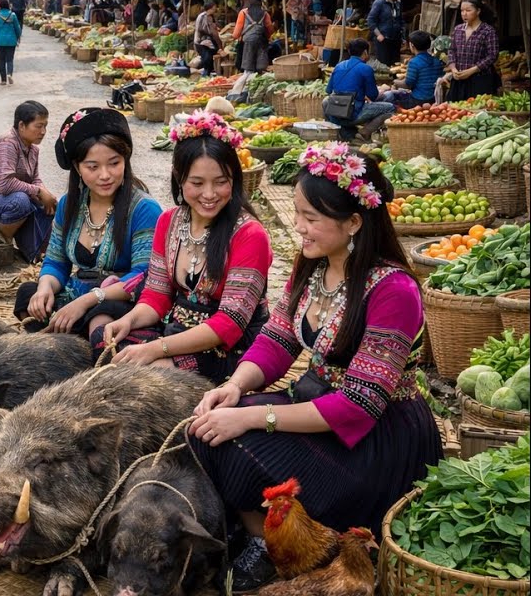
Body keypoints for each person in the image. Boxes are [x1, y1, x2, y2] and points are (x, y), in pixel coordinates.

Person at [187, 144, 440, 590]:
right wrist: (234, 385)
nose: (299, 227)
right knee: (205, 430)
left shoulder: (393, 290)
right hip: (317, 401)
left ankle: (289, 549)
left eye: (311, 218)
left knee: (239, 446)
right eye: (298, 213)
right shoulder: (313, 265)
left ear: (354, 222)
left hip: (375, 438)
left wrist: (249, 414)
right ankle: (266, 539)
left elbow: (358, 406)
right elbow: (278, 339)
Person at [103, 113, 272, 383]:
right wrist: (130, 321)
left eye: (221, 182)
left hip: (230, 348)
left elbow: (229, 324)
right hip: (177, 331)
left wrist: (156, 348)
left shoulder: (250, 235)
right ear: (179, 179)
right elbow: (157, 296)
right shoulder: (168, 222)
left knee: (145, 379)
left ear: (235, 179)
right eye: (197, 183)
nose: (209, 194)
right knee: (108, 346)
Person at [14, 108, 162, 346]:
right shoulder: (68, 205)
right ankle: (60, 351)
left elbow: (143, 275)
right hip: (76, 290)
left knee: (101, 318)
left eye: (114, 163)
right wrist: (44, 288)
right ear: (77, 167)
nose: (105, 175)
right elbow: (56, 262)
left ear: (125, 161)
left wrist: (86, 301)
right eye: (93, 167)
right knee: (28, 296)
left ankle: (92, 356)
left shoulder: (144, 209)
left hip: (119, 298)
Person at [0, 101, 57, 263]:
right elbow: (5, 184)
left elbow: (34, 178)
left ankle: (37, 253)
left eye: (45, 126)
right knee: (21, 200)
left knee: (49, 204)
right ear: (22, 125)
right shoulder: (6, 144)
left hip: (2, 202)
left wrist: (45, 194)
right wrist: (38, 191)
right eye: (38, 126)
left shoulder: (32, 149)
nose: (43, 132)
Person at [324, 38, 395, 141]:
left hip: (335, 112)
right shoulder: (366, 68)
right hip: (353, 113)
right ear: (365, 52)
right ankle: (365, 131)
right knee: (390, 107)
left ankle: (344, 132)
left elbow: (328, 90)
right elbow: (373, 96)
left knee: (325, 101)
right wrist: (380, 92)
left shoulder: (339, 65)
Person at [442, 0, 500, 102]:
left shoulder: (488, 31)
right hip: (458, 79)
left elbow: (492, 55)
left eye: (468, 10)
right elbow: (451, 50)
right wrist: (454, 69)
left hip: (479, 80)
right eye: (462, 11)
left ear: (478, 11)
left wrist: (471, 71)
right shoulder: (458, 29)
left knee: (476, 111)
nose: (464, 14)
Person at [229, 0, 274, 99]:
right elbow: (270, 29)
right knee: (260, 70)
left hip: (247, 44)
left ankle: (241, 93)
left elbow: (236, 34)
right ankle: (258, 95)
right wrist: (265, 38)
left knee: (248, 70)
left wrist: (234, 37)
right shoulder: (265, 14)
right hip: (262, 44)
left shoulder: (243, 13)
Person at [383, 31, 443, 108]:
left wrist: (394, 81)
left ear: (412, 45)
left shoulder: (414, 62)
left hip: (418, 100)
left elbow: (408, 84)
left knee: (390, 96)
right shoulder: (437, 61)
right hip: (433, 99)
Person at [366, 0, 406, 65]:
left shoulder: (398, 4)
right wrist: (378, 34)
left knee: (395, 66)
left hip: (396, 40)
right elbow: (370, 20)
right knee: (383, 66)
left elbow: (400, 20)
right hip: (383, 41)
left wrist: (403, 37)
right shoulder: (379, 3)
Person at [0, 0, 22, 86]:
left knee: (1, 60)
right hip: (11, 41)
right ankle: (9, 74)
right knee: (10, 59)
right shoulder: (13, 15)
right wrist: (19, 37)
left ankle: (3, 80)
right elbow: (17, 27)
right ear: (8, 5)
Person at [194, 0, 223, 77]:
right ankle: (205, 76)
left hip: (205, 42)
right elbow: (208, 31)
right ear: (210, 8)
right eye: (214, 8)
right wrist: (219, 45)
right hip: (203, 42)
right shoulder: (204, 17)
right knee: (207, 61)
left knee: (208, 60)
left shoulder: (208, 16)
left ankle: (206, 75)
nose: (215, 9)